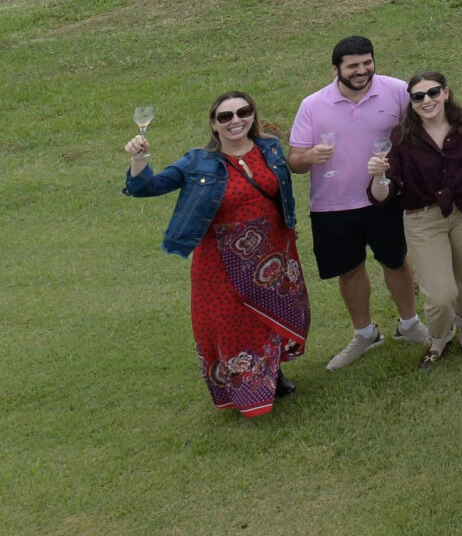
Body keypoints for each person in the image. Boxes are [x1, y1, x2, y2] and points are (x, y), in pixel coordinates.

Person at [123, 93, 310, 417]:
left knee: (270, 314)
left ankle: (273, 373)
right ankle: (248, 390)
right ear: (214, 124)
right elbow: (147, 187)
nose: (235, 120)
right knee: (231, 323)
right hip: (221, 259)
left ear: (252, 115)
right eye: (225, 116)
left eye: (243, 112)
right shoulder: (197, 162)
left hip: (274, 251)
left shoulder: (270, 149)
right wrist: (139, 159)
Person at [290, 36, 426, 369]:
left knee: (396, 261)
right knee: (349, 269)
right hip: (331, 206)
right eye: (353, 65)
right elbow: (294, 162)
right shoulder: (313, 104)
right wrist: (310, 155)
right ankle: (364, 333)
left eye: (367, 62)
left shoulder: (396, 91)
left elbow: (420, 134)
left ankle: (409, 324)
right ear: (335, 69)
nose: (362, 70)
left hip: (384, 199)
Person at [372, 71, 462, 370]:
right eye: (418, 96)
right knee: (440, 292)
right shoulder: (401, 137)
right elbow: (381, 195)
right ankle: (439, 338)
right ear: (411, 103)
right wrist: (378, 175)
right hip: (423, 216)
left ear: (446, 93)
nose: (427, 100)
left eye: (433, 92)